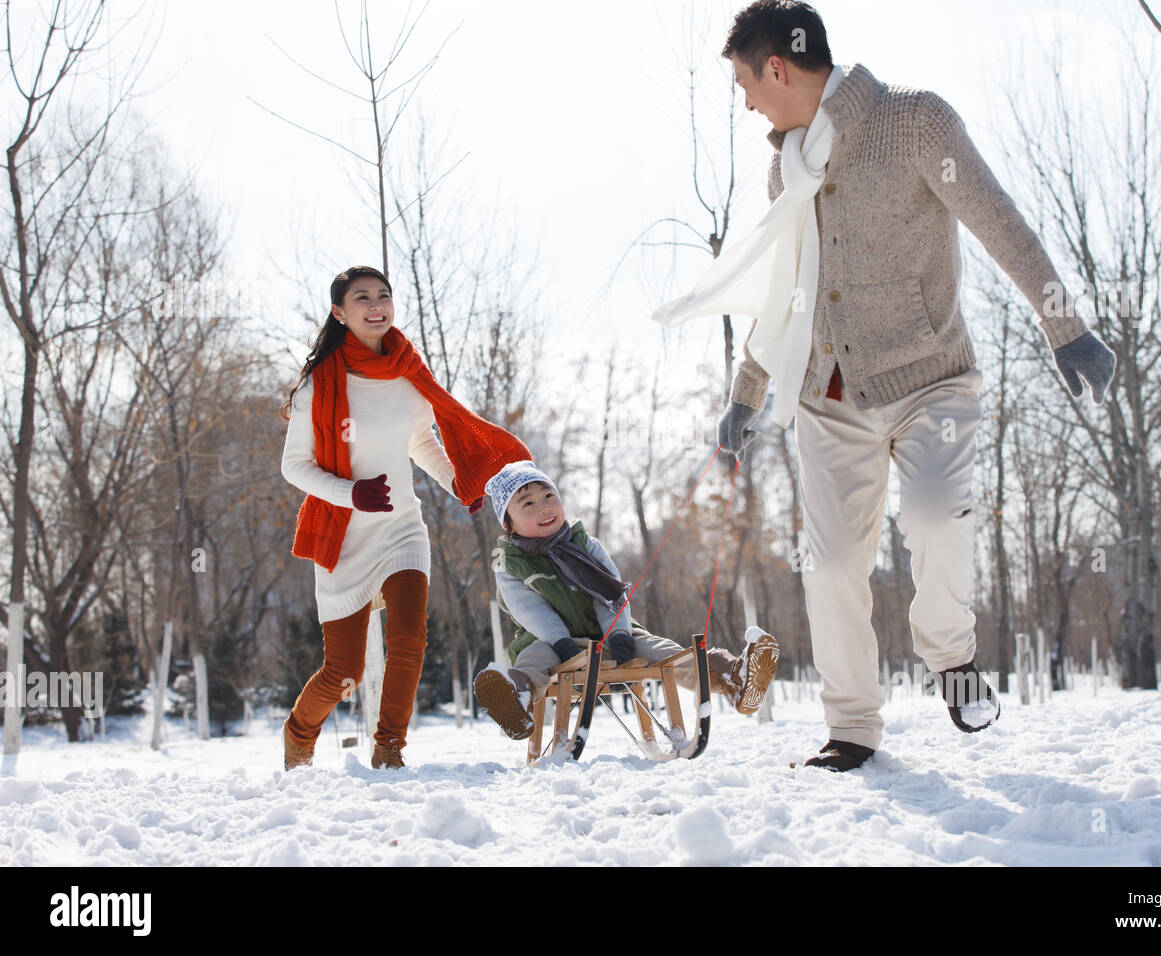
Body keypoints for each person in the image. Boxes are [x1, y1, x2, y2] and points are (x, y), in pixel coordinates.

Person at [653, 1, 1116, 771]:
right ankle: (852, 727)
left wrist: (1063, 324)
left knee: (935, 517)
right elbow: (784, 292)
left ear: (779, 66)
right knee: (832, 566)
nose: (746, 103)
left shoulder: (914, 124)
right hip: (829, 396)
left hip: (931, 378)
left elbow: (999, 219)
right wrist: (747, 392)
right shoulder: (785, 168)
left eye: (744, 82)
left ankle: (953, 658)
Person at [279, 265, 529, 771]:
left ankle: (389, 746)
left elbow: (420, 443)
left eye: (383, 296)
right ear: (339, 313)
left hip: (401, 526)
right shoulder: (318, 384)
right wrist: (352, 493)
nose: (376, 305)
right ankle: (299, 733)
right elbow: (294, 466)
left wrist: (458, 482)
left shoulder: (406, 371)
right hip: (342, 533)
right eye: (362, 298)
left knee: (410, 636)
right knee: (343, 671)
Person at [472, 461, 781, 746]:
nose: (544, 507)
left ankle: (733, 678)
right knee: (534, 657)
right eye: (528, 504)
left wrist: (620, 636)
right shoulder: (510, 566)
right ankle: (516, 699)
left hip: (609, 634)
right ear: (508, 525)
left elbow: (611, 595)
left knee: (664, 652)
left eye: (549, 496)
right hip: (552, 641)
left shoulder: (586, 546)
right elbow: (533, 614)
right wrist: (564, 644)